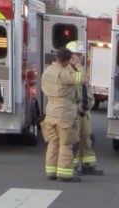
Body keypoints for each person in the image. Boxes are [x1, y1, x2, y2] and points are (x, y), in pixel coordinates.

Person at [41, 47, 82, 182]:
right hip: (64, 112)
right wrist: (77, 64)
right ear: (67, 61)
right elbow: (82, 79)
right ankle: (64, 174)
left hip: (50, 111)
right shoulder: (63, 73)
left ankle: (51, 171)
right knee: (66, 143)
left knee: (53, 142)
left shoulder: (47, 71)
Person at [66, 41, 103, 175]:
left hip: (84, 112)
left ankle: (88, 166)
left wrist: (90, 102)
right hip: (75, 112)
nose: (79, 57)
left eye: (80, 54)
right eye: (77, 54)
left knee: (88, 139)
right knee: (74, 141)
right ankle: (73, 167)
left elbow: (86, 90)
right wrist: (76, 105)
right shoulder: (68, 71)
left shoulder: (81, 70)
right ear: (70, 56)